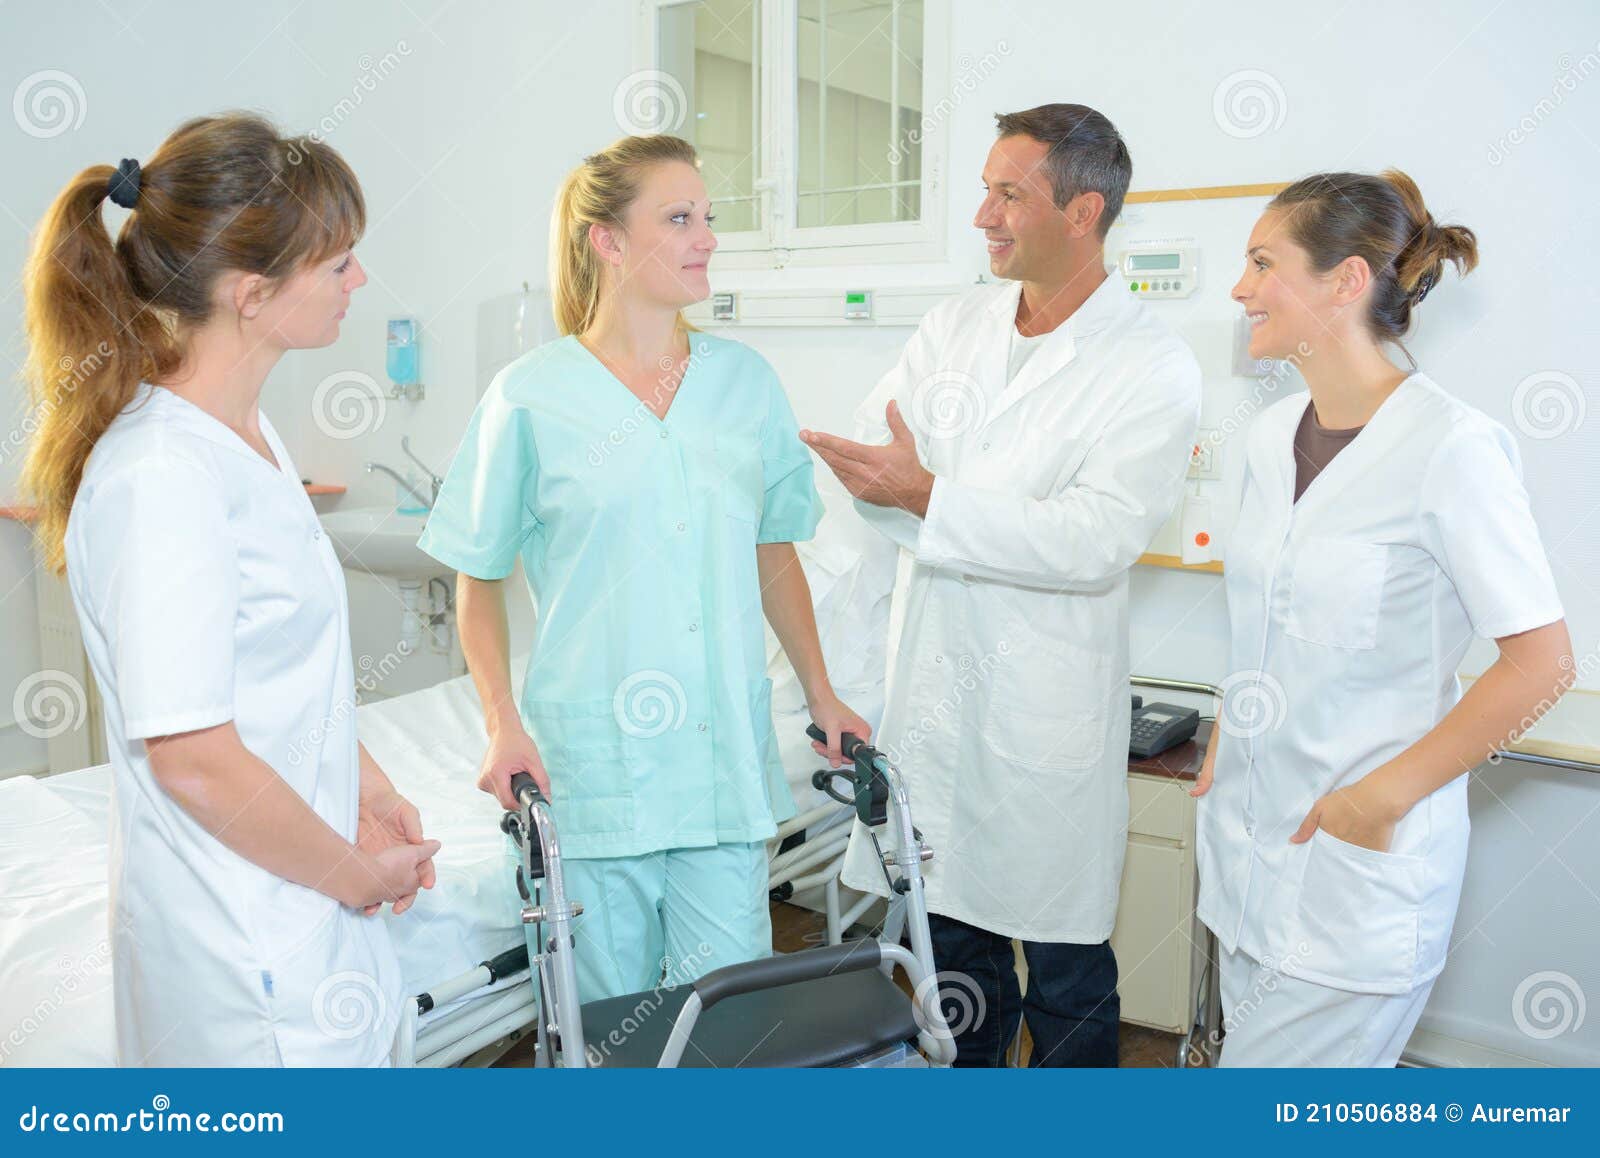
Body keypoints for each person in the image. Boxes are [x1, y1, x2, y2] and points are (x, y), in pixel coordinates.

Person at [20, 113, 438, 1066]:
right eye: (338, 264)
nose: (359, 282)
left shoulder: (247, 437)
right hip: (243, 954)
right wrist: (357, 877)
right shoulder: (164, 474)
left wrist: (365, 790)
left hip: (298, 913)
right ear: (254, 293)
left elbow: (280, 675)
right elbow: (194, 756)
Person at [417, 134, 869, 1001]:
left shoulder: (743, 383)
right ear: (608, 241)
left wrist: (821, 693)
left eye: (708, 217)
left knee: (727, 1025)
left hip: (718, 763)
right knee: (609, 1026)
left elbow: (774, 553)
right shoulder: (529, 396)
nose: (705, 236)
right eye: (678, 218)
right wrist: (499, 721)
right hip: (590, 765)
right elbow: (477, 576)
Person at [804, 104, 1201, 1066]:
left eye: (1007, 193)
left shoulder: (1151, 365)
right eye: (985, 188)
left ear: (1083, 211)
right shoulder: (953, 328)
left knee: (1065, 974)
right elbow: (877, 475)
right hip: (934, 699)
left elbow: (1095, 540)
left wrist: (934, 497)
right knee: (956, 963)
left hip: (1041, 714)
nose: (983, 213)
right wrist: (919, 497)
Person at [1193, 169, 1573, 1066]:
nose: (1240, 288)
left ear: (1346, 280)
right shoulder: (1267, 435)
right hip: (1248, 859)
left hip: (1354, 881)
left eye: (1261, 262)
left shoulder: (1453, 448)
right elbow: (1264, 617)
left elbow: (1543, 662)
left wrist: (1379, 800)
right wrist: (1222, 739)